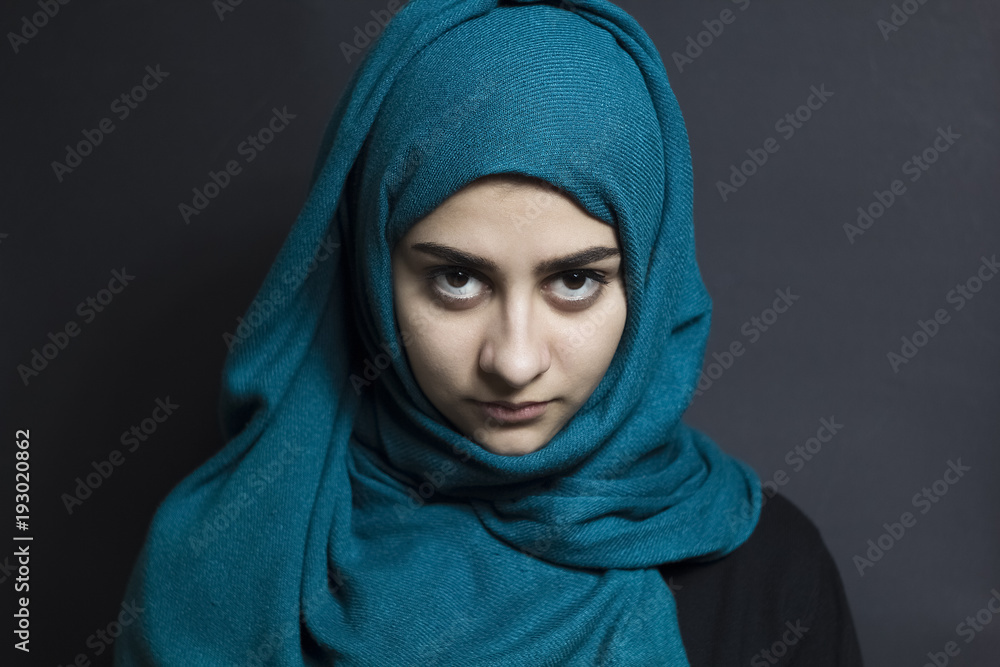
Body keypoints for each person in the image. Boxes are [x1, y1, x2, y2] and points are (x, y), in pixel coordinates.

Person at [116, 0, 863, 664]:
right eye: (456, 279)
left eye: (576, 280)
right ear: (370, 275)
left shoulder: (767, 578)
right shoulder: (219, 556)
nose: (513, 360)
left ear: (650, 281)